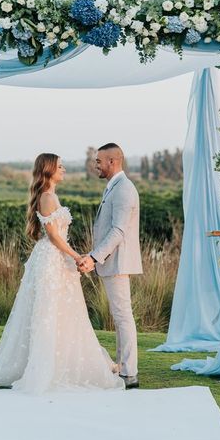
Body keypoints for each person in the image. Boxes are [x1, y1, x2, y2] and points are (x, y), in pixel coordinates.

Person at [0, 153, 123, 394]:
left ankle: (68, 362)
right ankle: (46, 367)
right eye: (60, 166)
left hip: (58, 259)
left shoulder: (51, 195)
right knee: (49, 311)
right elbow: (54, 236)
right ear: (49, 170)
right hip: (52, 260)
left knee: (66, 311)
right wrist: (76, 255)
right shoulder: (47, 197)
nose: (64, 169)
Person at [78, 143, 142, 389]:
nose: (96, 165)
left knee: (123, 316)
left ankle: (129, 373)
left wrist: (93, 258)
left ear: (112, 161)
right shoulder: (114, 187)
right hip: (112, 261)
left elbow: (118, 231)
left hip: (117, 262)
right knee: (119, 316)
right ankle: (123, 367)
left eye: (99, 161)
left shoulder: (124, 189)